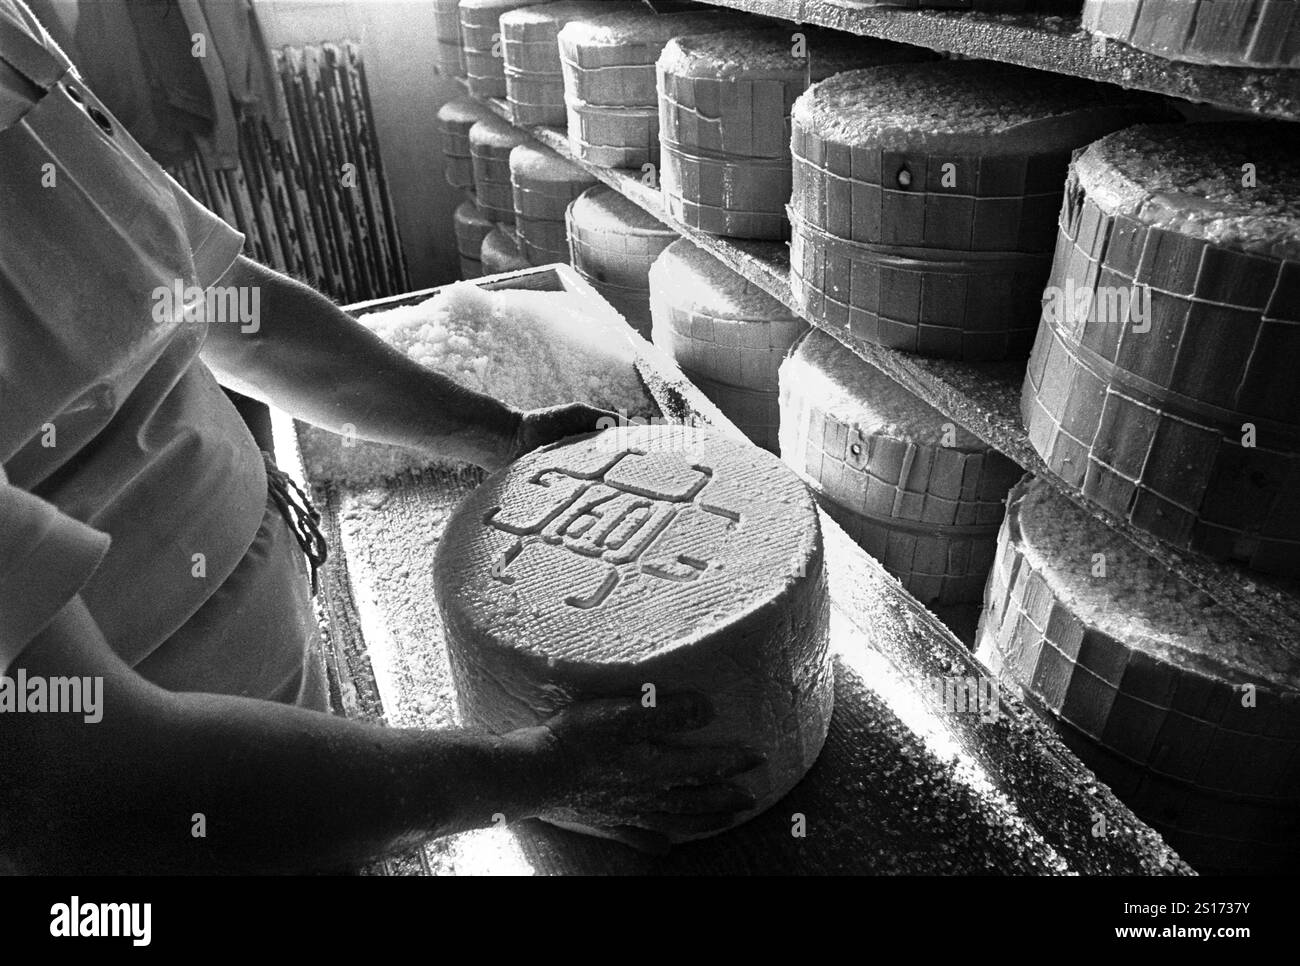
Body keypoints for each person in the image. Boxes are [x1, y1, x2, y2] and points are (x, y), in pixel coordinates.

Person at [0, 0, 758, 874]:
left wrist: (495, 432)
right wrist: (538, 773)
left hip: (292, 745)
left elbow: (217, 305)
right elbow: (91, 799)